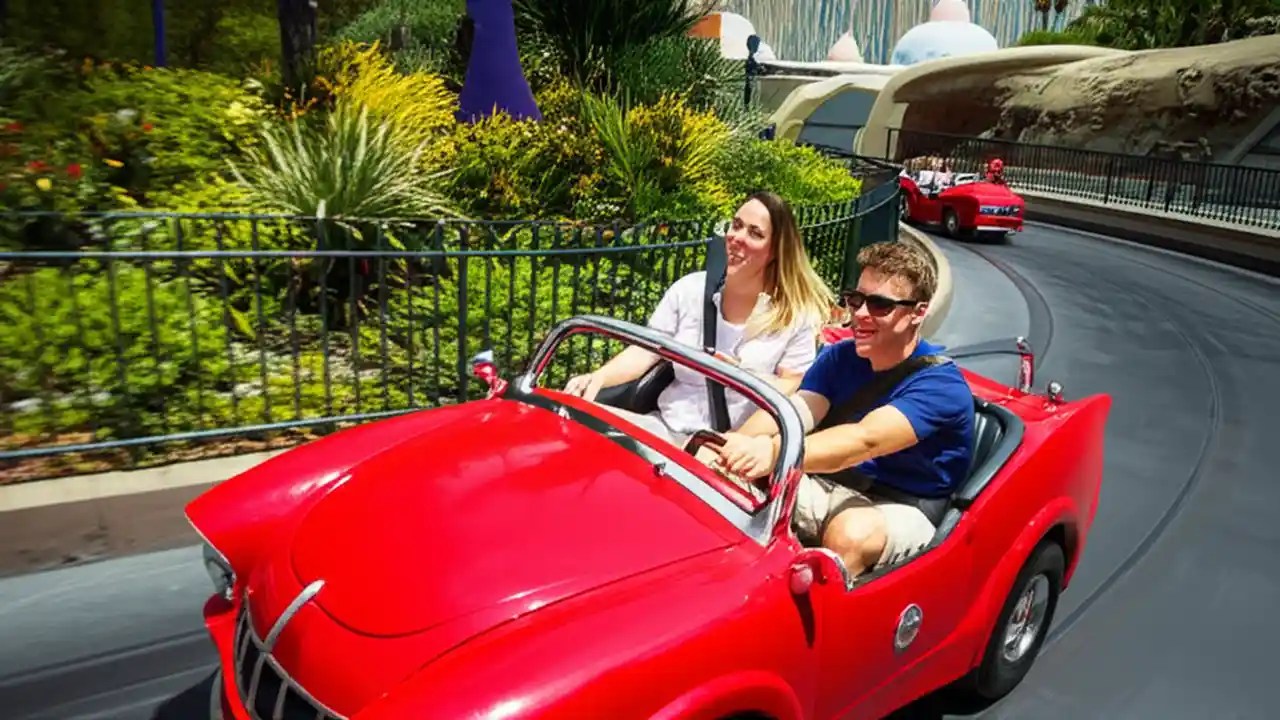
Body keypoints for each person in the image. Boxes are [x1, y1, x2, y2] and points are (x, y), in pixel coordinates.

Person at [712, 241, 974, 576]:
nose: (861, 313)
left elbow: (865, 440)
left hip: (899, 504)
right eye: (856, 300)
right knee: (717, 472)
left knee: (850, 534)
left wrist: (774, 453)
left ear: (918, 312)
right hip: (833, 482)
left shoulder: (941, 386)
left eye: (880, 304)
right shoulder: (840, 357)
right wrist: (731, 445)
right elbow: (799, 410)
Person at [562, 191, 834, 447]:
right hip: (663, 429)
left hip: (728, 447)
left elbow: (791, 387)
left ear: (775, 250)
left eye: (755, 233)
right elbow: (647, 350)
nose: (737, 237)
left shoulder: (794, 316)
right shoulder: (690, 290)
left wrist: (743, 379)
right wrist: (598, 378)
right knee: (572, 424)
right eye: (736, 225)